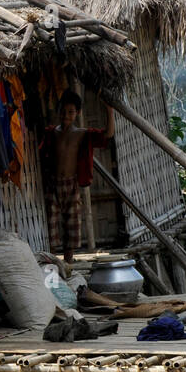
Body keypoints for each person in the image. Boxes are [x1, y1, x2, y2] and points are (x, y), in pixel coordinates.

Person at [40, 90, 115, 263]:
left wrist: (110, 111)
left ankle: (68, 264)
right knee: (51, 225)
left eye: (71, 112)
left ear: (78, 113)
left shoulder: (83, 134)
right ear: (59, 110)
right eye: (63, 111)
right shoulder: (51, 133)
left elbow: (108, 134)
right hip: (53, 184)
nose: (66, 115)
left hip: (71, 185)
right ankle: (51, 263)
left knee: (71, 226)